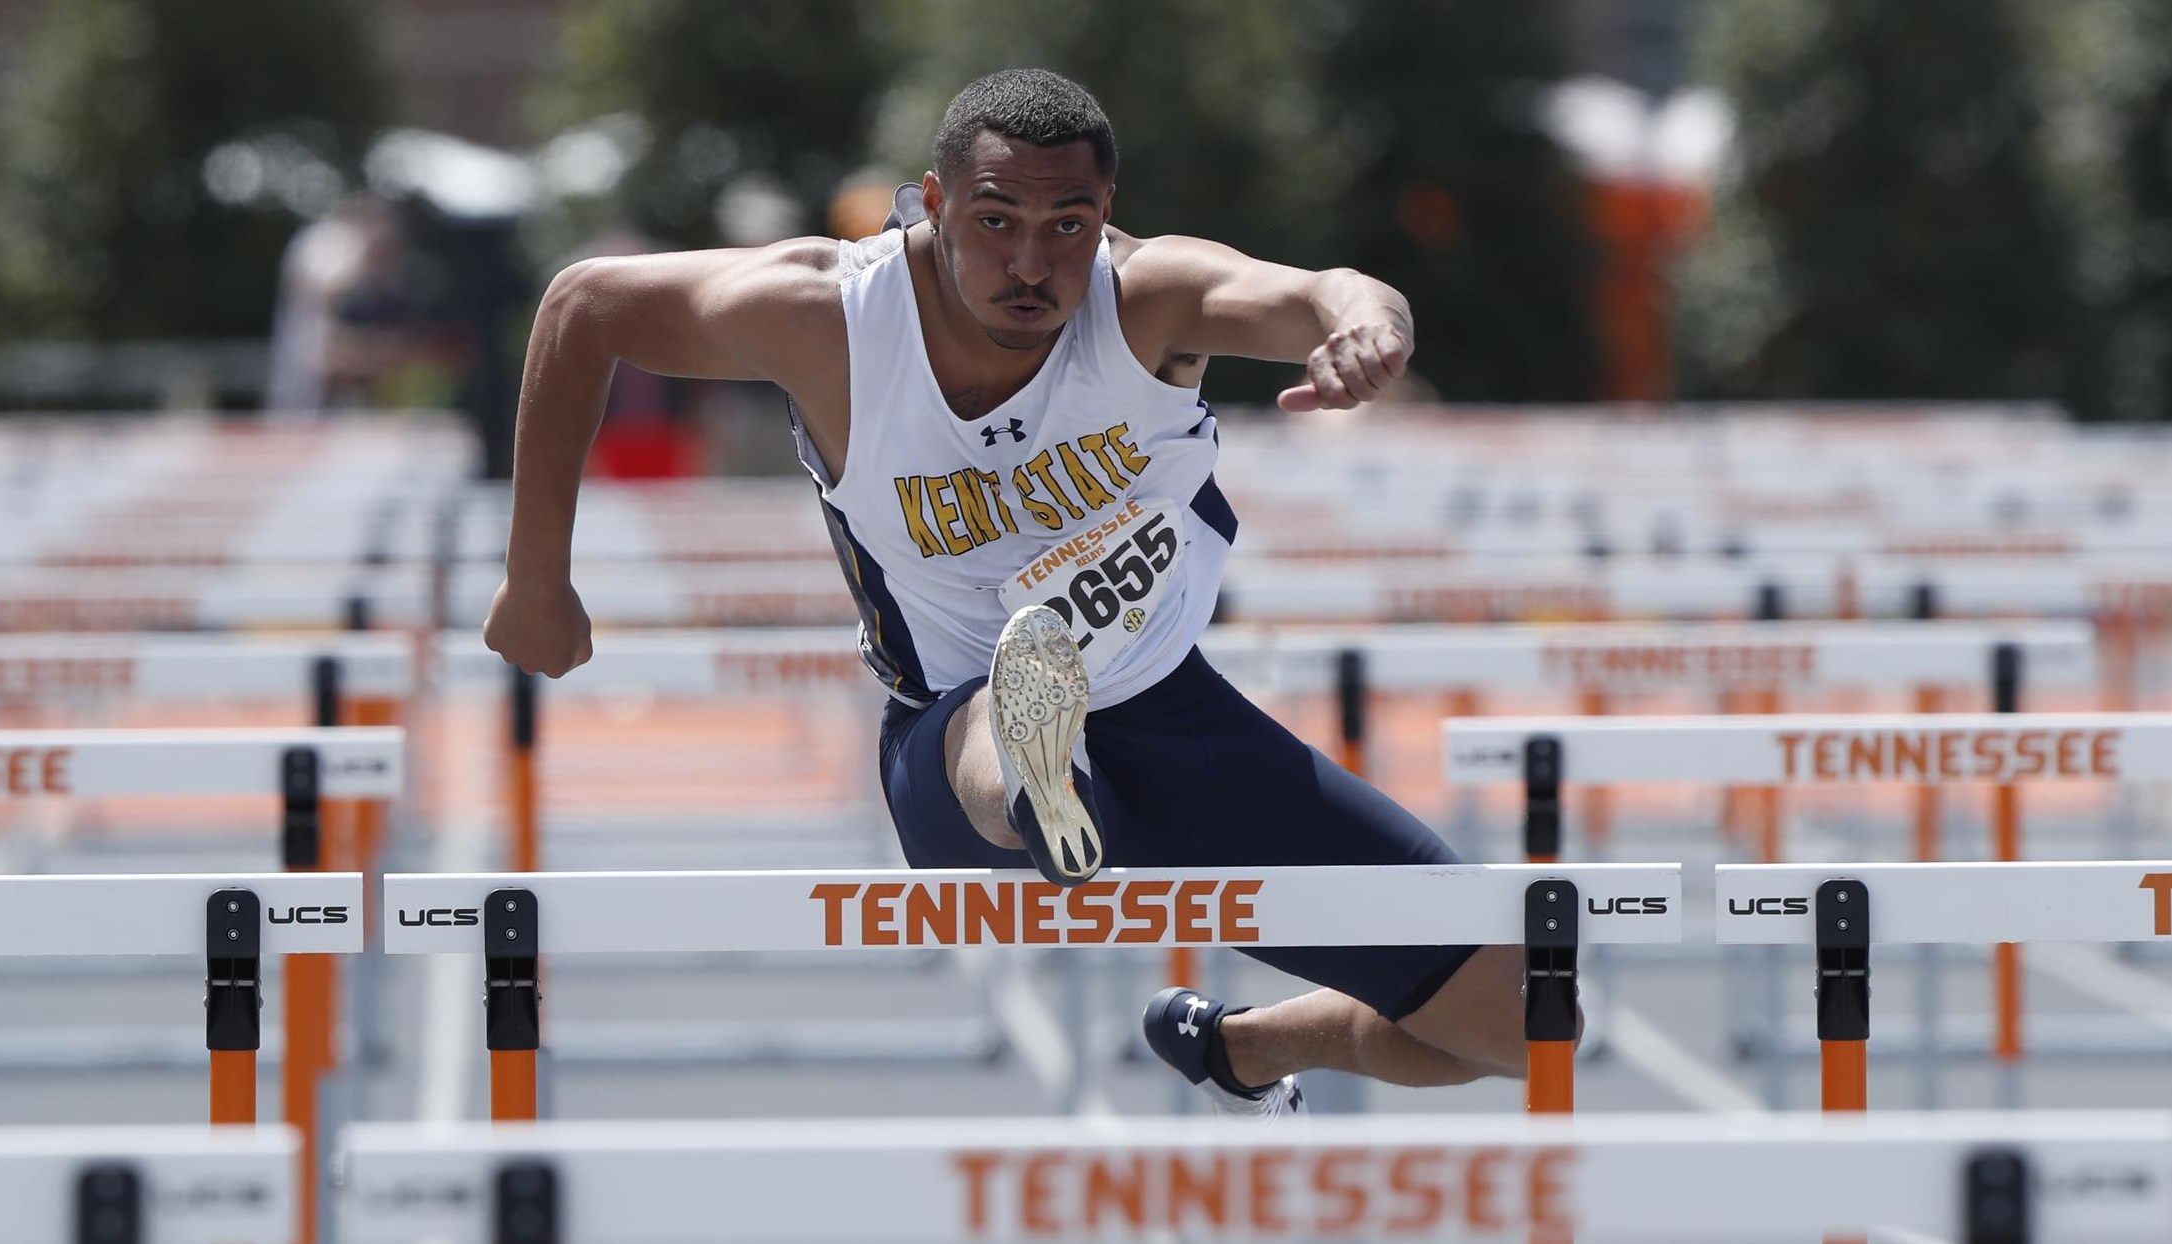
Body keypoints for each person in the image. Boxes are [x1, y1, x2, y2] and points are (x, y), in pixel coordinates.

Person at [485, 68, 1569, 1119]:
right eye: (996, 221)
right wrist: (537, 577)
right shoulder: (829, 317)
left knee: (1528, 1018)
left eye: (1069, 226)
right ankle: (1033, 767)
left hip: (1171, 714)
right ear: (933, 203)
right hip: (948, 741)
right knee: (988, 734)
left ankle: (1242, 1044)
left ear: (1107, 220)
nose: (1031, 264)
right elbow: (585, 304)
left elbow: (1323, 289)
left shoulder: (1149, 297)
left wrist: (1367, 327)